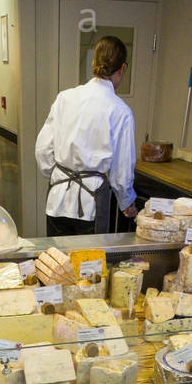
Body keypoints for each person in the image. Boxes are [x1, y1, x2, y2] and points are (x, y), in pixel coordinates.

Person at [35, 36, 138, 236]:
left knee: (58, 263)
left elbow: (43, 149)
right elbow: (122, 171)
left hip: (58, 198)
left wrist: (55, 173)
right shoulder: (121, 111)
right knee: (88, 265)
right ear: (122, 68)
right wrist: (127, 202)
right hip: (91, 204)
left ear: (94, 63)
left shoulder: (65, 97)